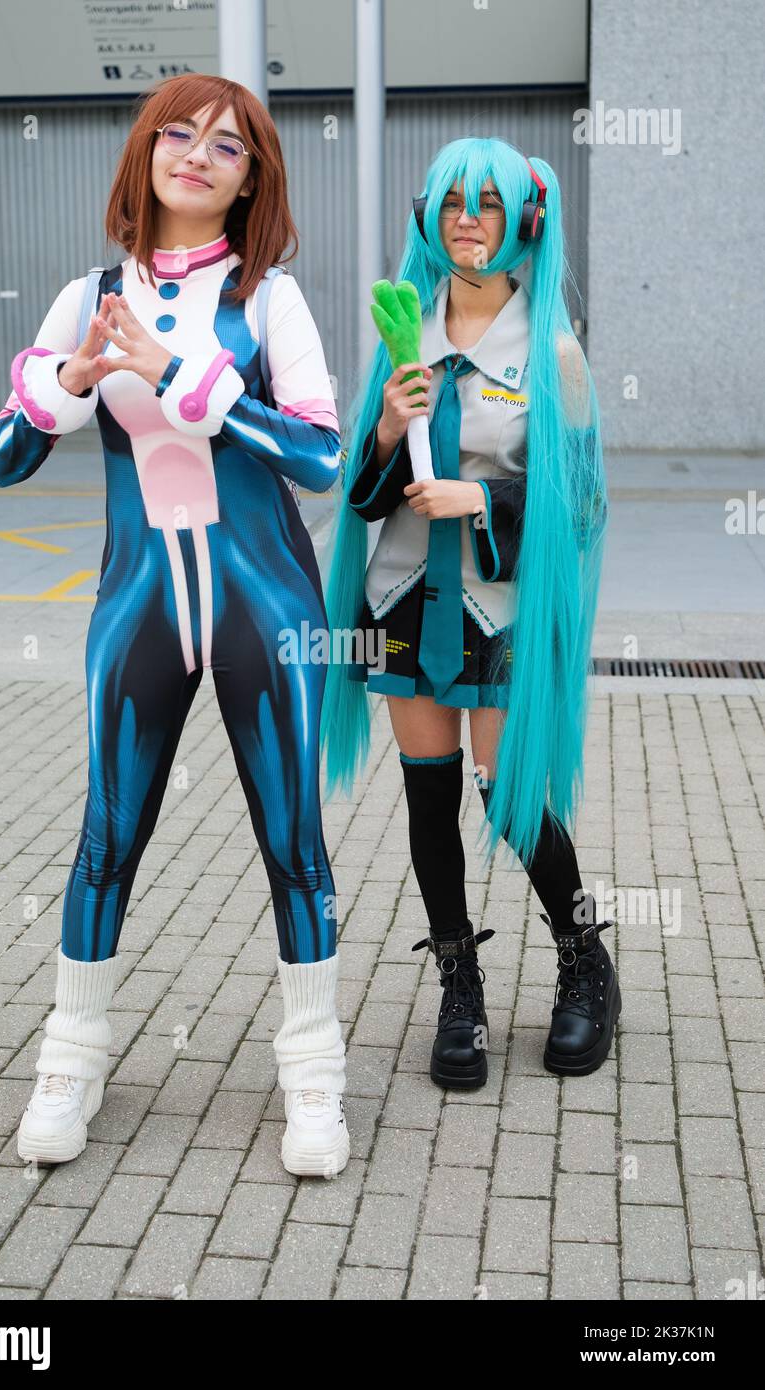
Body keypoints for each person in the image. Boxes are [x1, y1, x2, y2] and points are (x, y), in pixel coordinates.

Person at [0, 73, 349, 1177]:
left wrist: (188, 378)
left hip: (268, 604)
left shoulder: (269, 300)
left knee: (291, 842)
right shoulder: (84, 293)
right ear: (144, 151)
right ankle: (70, 1056)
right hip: (137, 605)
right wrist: (73, 378)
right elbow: (3, 461)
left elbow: (322, 457)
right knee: (107, 834)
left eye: (226, 147)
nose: (195, 154)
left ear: (251, 183)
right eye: (176, 133)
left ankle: (312, 1068)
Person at [321, 136, 618, 1090]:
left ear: (524, 222)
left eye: (488, 205)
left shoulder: (554, 353)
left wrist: (481, 503)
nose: (467, 221)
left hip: (499, 603)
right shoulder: (404, 339)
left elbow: (584, 505)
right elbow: (363, 496)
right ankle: (460, 985)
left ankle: (584, 963)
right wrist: (384, 431)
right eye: (452, 203)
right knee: (429, 793)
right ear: (429, 217)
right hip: (406, 598)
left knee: (513, 792)